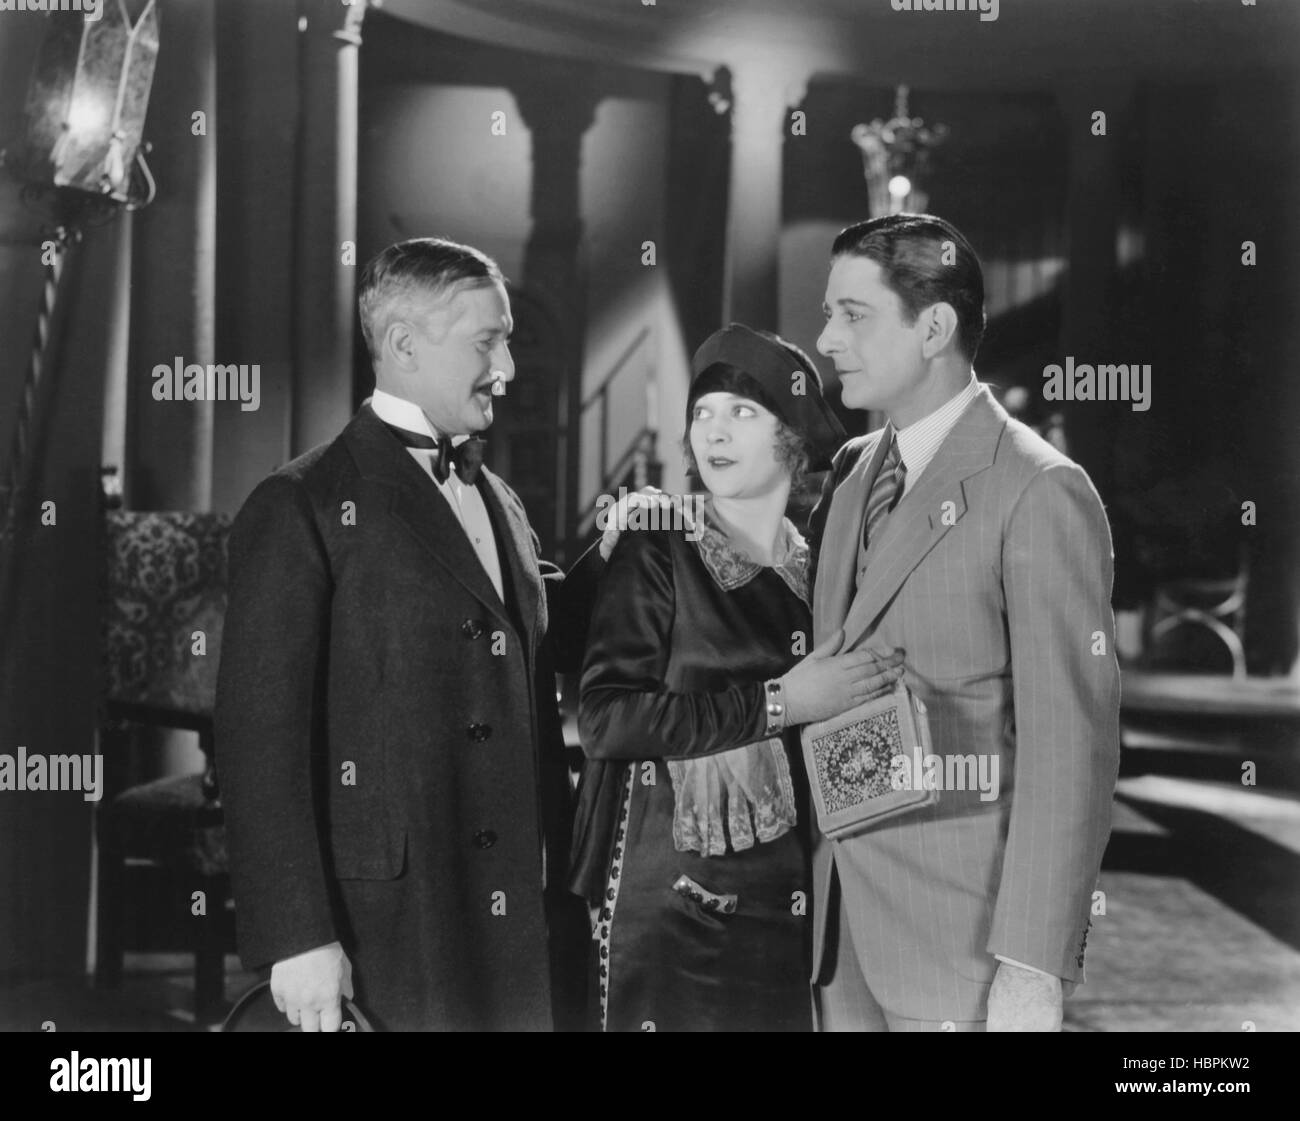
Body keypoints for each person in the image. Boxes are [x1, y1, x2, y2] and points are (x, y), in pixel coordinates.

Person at [216, 237, 653, 1031]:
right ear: (405, 344)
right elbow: (258, 742)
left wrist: (625, 552)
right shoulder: (300, 504)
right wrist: (297, 937)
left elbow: (533, 632)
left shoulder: (500, 499)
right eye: (488, 341)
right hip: (390, 926)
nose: (509, 368)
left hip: (520, 914)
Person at [806, 213, 1122, 1031]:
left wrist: (1033, 967)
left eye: (853, 313)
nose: (827, 338)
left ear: (935, 326)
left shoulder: (1037, 488)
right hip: (842, 941)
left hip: (965, 952)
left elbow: (1070, 752)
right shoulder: (854, 481)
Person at [571, 324, 905, 1032]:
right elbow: (606, 720)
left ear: (790, 437)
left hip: (794, 905)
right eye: (702, 413)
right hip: (671, 905)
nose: (712, 432)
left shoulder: (822, 572)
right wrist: (781, 702)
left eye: (741, 413)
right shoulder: (658, 544)